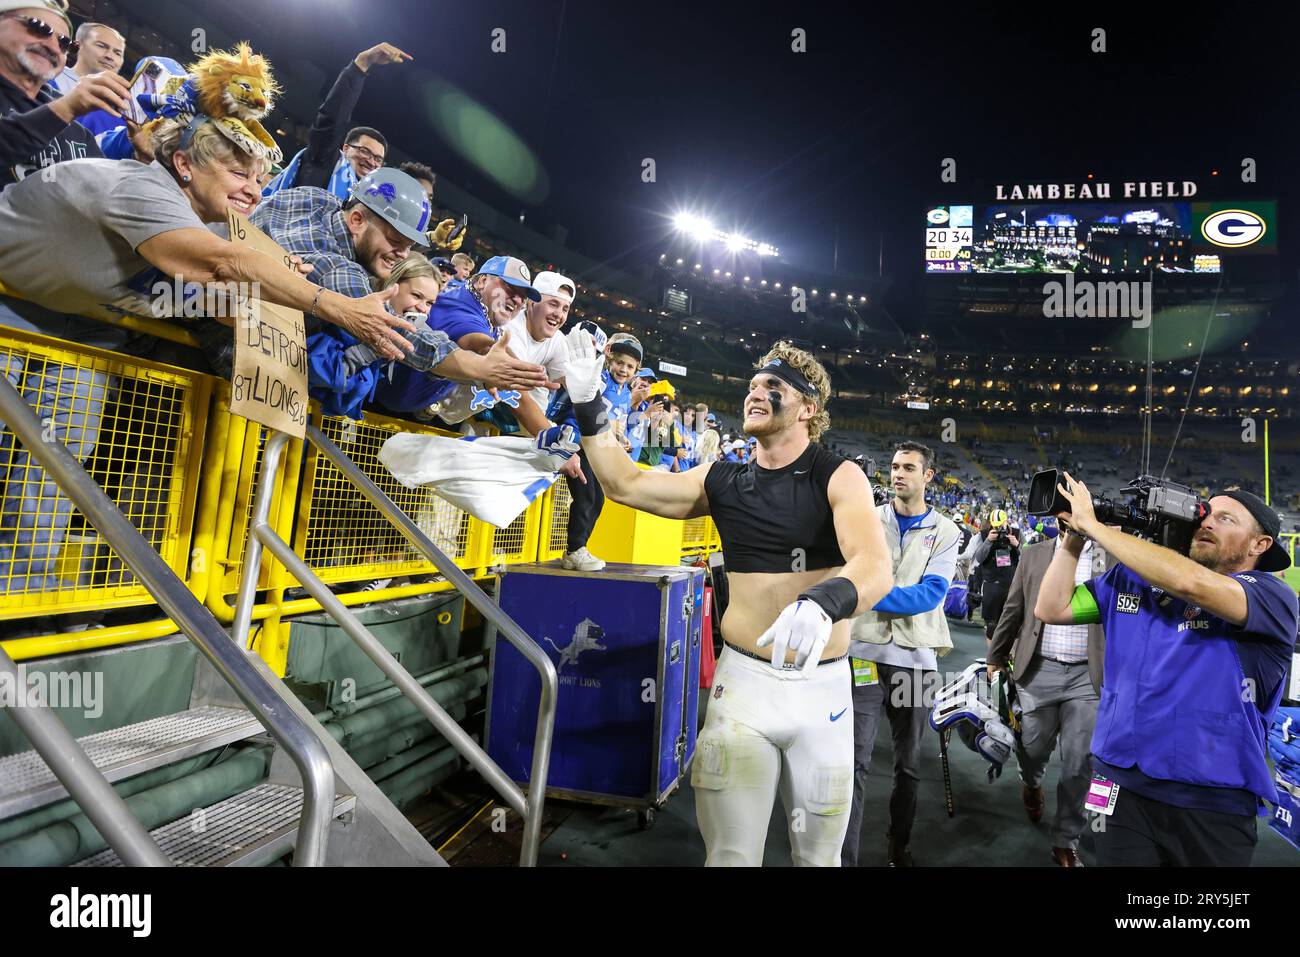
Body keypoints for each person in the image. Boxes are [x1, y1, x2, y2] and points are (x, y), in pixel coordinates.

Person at [563, 333, 893, 865]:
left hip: (823, 690)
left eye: (773, 385)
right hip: (744, 689)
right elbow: (625, 484)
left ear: (808, 407)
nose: (755, 392)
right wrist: (588, 404)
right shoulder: (723, 480)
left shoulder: (838, 474)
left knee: (820, 860)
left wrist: (823, 601)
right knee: (730, 857)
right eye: (753, 384)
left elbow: (876, 567)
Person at [1035, 477, 1298, 866]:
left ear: (1260, 545)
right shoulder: (1132, 578)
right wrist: (1075, 537)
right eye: (1207, 514)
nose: (1207, 522)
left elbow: (1192, 583)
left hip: (1210, 797)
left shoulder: (1271, 596)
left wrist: (1095, 526)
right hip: (1116, 780)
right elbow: (1051, 608)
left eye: (1226, 519)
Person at [249, 168, 549, 417]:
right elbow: (398, 330)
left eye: (410, 244)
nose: (404, 255)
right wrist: (479, 366)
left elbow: (372, 230)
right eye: (396, 241)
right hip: (239, 389)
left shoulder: (318, 200)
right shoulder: (335, 266)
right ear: (356, 220)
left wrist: (425, 239)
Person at [842, 441, 960, 867]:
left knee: (907, 766)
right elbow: (848, 572)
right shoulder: (867, 520)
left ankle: (898, 843)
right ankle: (845, 856)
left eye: (908, 467)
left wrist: (866, 593)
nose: (898, 473)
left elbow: (929, 596)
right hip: (863, 655)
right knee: (853, 761)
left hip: (915, 663)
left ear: (928, 476)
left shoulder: (947, 532)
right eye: (894, 466)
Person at [989, 531, 1111, 867]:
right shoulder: (1033, 554)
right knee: (1032, 749)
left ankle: (1065, 839)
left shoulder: (1111, 557)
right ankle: (1031, 782)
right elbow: (1014, 607)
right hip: (1038, 670)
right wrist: (995, 655)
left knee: (1080, 762)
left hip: (1089, 676)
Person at [546, 332, 646, 571]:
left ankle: (578, 548)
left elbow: (613, 422)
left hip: (596, 450)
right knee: (586, 497)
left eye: (630, 366)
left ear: (636, 370)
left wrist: (619, 437)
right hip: (577, 444)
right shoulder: (599, 379)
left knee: (597, 499)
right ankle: (574, 549)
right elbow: (582, 408)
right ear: (609, 359)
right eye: (620, 362)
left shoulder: (624, 394)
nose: (623, 369)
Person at [0, 0, 118, 185]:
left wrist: (143, 157)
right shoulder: (66, 110)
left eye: (64, 43)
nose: (53, 47)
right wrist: (66, 109)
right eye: (38, 27)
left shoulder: (76, 131)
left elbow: (105, 192)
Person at [972, 509, 1020, 644]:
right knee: (992, 625)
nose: (997, 528)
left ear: (1006, 521)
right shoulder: (983, 535)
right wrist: (988, 541)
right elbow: (979, 558)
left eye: (1000, 525)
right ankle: (992, 659)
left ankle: (1007, 656)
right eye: (995, 525)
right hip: (991, 585)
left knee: (1011, 624)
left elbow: (1027, 557)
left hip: (1011, 585)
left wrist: (1017, 545)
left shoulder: (1016, 533)